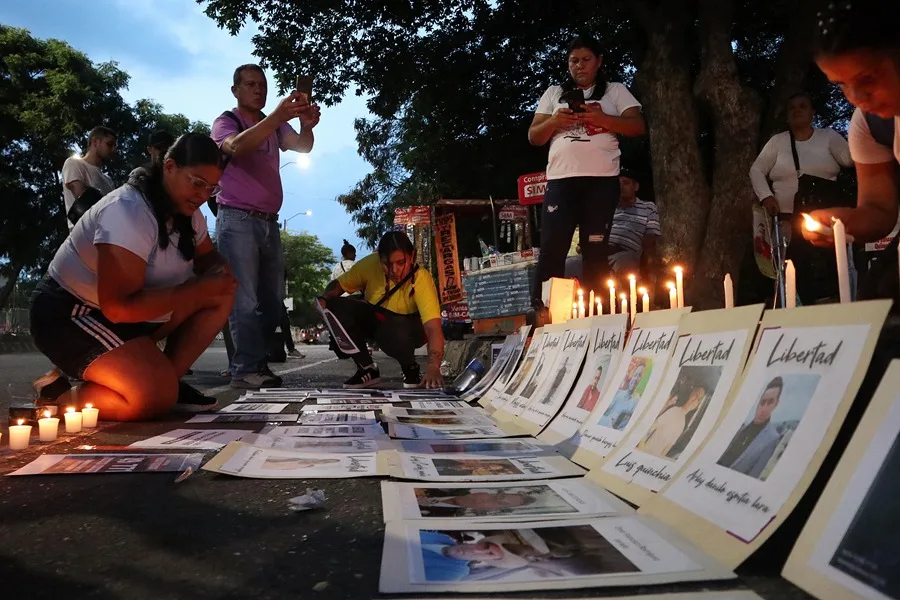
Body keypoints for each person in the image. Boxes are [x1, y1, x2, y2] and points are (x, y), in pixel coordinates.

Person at [29, 133, 236, 421]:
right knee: (151, 397)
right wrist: (198, 288)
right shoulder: (129, 210)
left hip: (124, 317)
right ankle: (59, 395)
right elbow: (119, 306)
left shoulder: (189, 213)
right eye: (197, 182)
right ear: (170, 167)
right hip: (72, 314)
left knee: (221, 292)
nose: (203, 195)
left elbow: (207, 257)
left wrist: (218, 270)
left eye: (212, 188)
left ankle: (165, 381)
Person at [212, 63, 321, 389]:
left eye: (262, 84)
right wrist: (277, 116)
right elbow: (235, 147)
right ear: (236, 90)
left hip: (268, 223)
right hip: (236, 219)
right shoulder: (226, 121)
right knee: (243, 300)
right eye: (250, 84)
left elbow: (303, 146)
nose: (258, 89)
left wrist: (306, 124)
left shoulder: (272, 126)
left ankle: (254, 365)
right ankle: (245, 369)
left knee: (273, 302)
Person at [528, 34, 645, 304]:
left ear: (599, 61)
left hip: (601, 182)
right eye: (573, 61)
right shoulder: (555, 93)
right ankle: (544, 312)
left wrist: (602, 118)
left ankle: (597, 315)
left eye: (585, 60)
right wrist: (555, 121)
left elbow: (637, 126)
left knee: (595, 248)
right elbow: (534, 137)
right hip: (561, 180)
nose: (579, 66)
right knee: (552, 249)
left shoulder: (614, 90)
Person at [805, 0, 899, 298]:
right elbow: (880, 210)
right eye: (841, 84)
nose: (857, 97)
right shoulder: (870, 124)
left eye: (867, 78)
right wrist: (840, 223)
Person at [749, 92, 855, 303]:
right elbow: (757, 170)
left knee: (833, 265)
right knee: (795, 268)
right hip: (788, 219)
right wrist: (766, 197)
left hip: (827, 217)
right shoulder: (778, 142)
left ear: (812, 113)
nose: (797, 110)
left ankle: (840, 306)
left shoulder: (828, 137)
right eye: (792, 108)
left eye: (803, 106)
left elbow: (850, 160)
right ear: (787, 117)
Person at [316, 232, 445, 389]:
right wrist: (323, 299)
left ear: (412, 256)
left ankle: (410, 367)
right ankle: (367, 369)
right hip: (377, 321)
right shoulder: (369, 265)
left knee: (396, 327)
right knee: (333, 305)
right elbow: (338, 285)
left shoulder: (421, 279)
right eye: (387, 264)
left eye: (401, 262)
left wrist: (433, 366)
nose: (394, 270)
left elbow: (433, 328)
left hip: (407, 330)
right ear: (379, 259)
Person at [717, 377, 783, 479]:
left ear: (776, 404)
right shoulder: (742, 426)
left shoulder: (772, 438)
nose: (764, 408)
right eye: (763, 402)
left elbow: (753, 477)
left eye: (770, 402)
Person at [607, 170, 661, 278]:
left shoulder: (648, 207)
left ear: (636, 186)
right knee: (571, 264)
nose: (621, 187)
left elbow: (651, 237)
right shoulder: (608, 207)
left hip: (627, 252)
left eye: (626, 183)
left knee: (622, 264)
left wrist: (648, 258)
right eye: (618, 184)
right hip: (602, 250)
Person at [62, 126, 117, 230]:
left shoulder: (108, 181)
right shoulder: (74, 164)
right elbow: (84, 202)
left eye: (115, 146)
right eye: (109, 144)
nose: (113, 149)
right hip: (82, 237)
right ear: (95, 142)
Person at [636, 383, 708, 459]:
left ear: (697, 406)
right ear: (691, 394)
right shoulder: (674, 410)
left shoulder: (683, 424)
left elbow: (667, 448)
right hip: (644, 452)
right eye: (696, 395)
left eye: (699, 399)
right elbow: (650, 428)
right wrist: (641, 447)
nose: (695, 400)